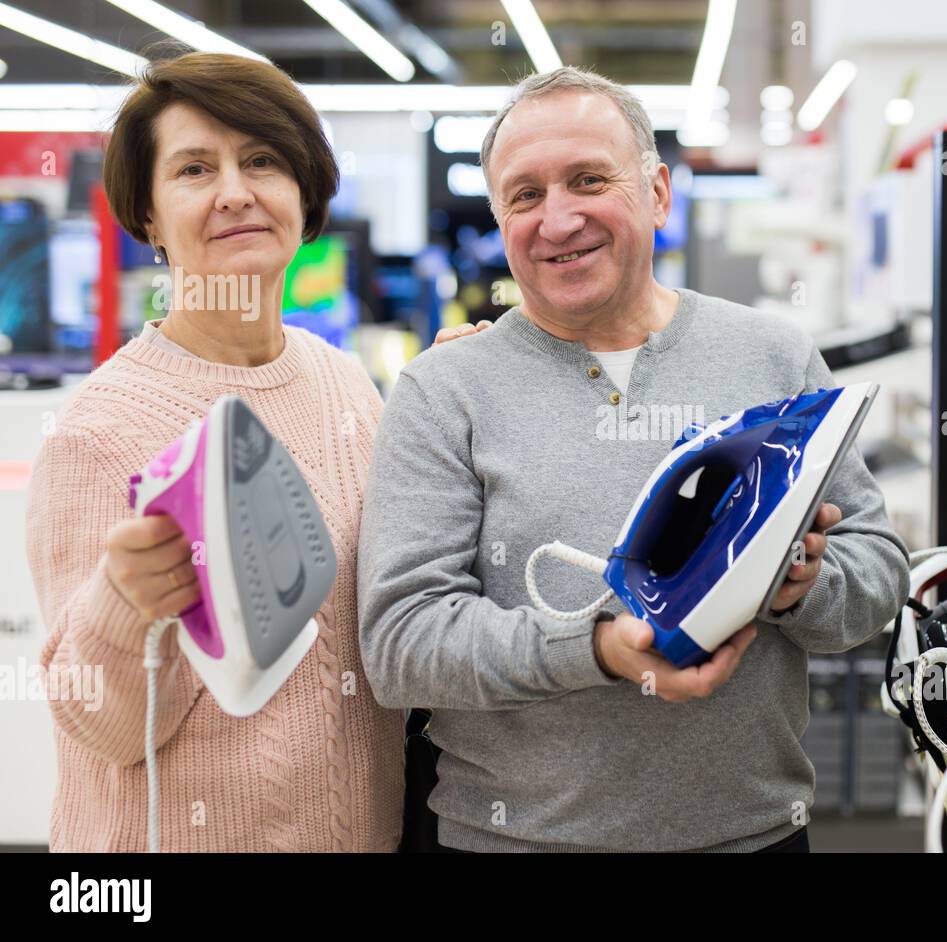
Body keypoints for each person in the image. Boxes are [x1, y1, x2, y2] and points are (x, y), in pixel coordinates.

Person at [359, 66, 910, 853]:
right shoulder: (446, 389)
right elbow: (402, 646)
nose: (557, 220)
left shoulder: (773, 357)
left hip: (751, 838)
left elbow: (880, 574)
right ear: (498, 220)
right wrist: (597, 652)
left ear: (657, 193)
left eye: (588, 179)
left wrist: (798, 585)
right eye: (524, 195)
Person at [25, 52, 403, 851]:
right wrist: (123, 607)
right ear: (150, 219)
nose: (236, 191)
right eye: (195, 168)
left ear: (302, 193)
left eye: (262, 160)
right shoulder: (99, 431)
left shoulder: (345, 387)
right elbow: (96, 721)